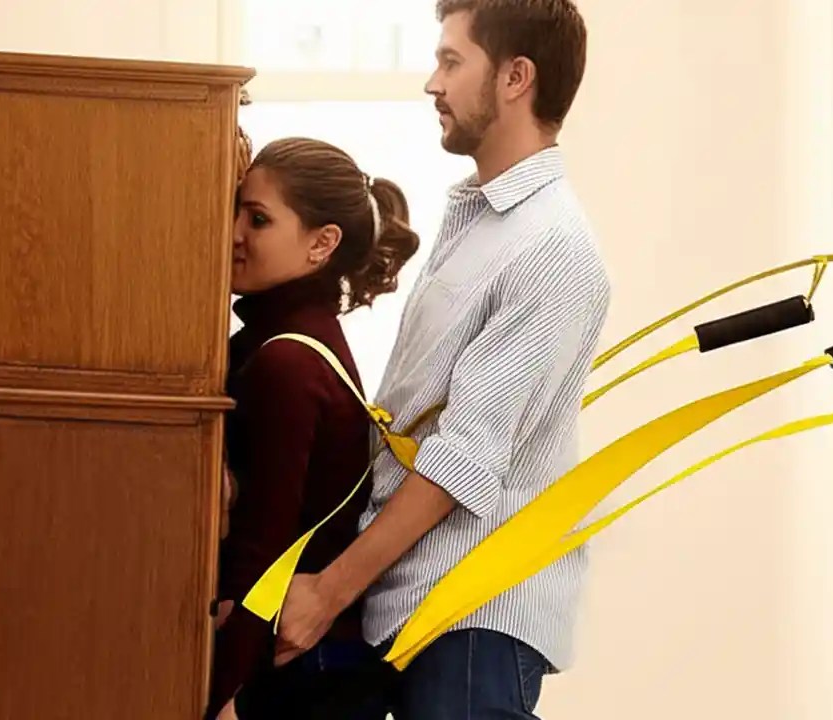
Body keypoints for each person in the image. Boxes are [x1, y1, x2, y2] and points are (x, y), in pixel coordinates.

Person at [274, 1, 609, 717]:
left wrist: (330, 590)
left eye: (452, 61)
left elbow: (461, 461)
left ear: (517, 77)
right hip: (415, 602)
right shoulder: (481, 220)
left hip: (473, 613)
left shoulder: (553, 250)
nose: (433, 82)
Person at [207, 137, 419, 719]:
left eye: (258, 219)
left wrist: (222, 696)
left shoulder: (288, 362)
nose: (233, 234)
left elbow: (263, 552)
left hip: (299, 683)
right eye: (236, 211)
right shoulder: (289, 340)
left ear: (322, 244)